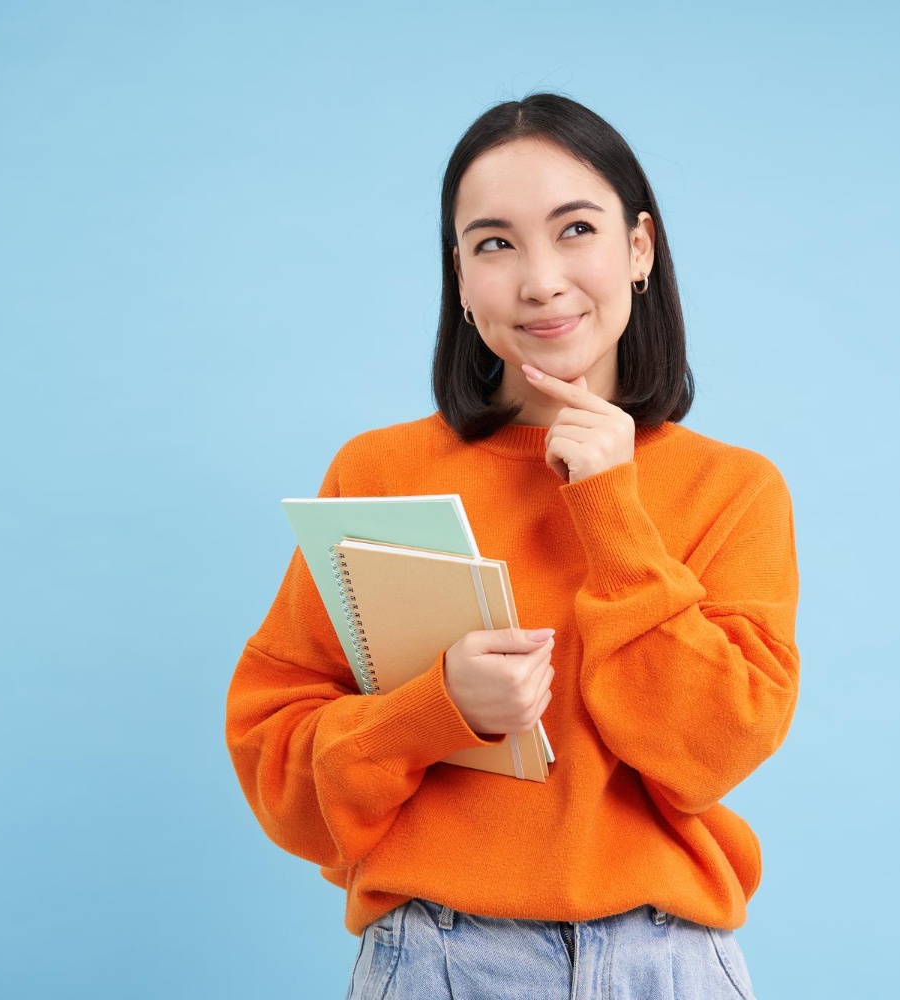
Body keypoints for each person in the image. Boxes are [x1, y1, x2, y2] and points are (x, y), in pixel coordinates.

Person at [224, 92, 800, 1000]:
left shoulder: (733, 489)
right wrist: (436, 707)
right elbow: (279, 772)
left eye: (576, 229)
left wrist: (611, 507)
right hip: (439, 959)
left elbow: (712, 750)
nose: (540, 280)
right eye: (495, 243)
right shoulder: (378, 473)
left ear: (639, 249)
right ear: (458, 274)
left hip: (666, 962)